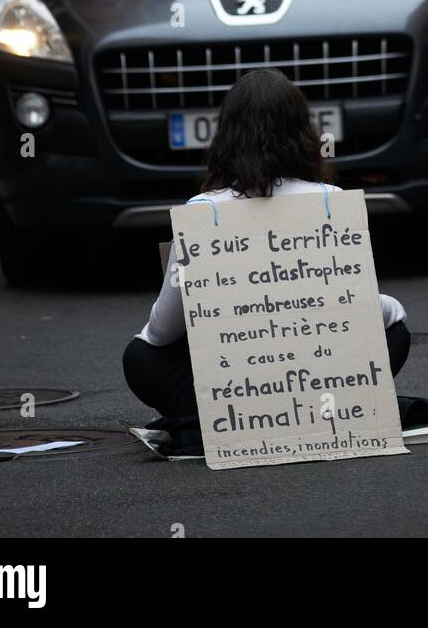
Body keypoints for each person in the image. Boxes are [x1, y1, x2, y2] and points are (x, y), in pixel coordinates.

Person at [122, 67, 411, 442]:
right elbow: (357, 310)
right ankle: (328, 408)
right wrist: (392, 308)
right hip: (325, 382)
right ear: (303, 133)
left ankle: (221, 418)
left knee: (139, 356)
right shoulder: (331, 201)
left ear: (225, 137)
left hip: (236, 387)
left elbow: (162, 333)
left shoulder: (201, 211)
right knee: (396, 331)